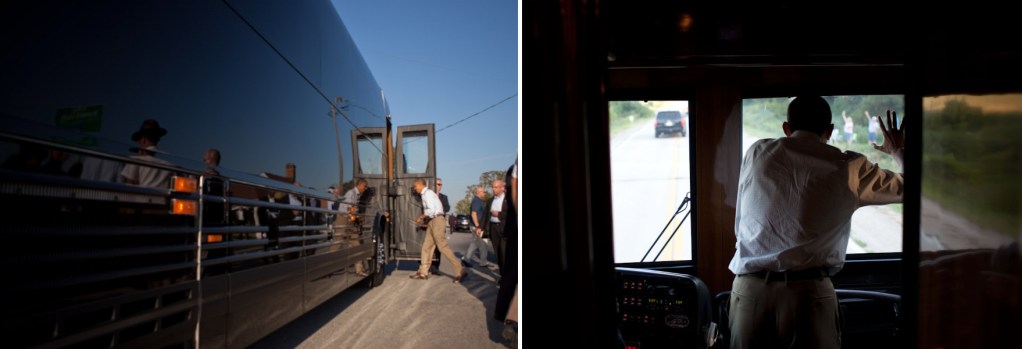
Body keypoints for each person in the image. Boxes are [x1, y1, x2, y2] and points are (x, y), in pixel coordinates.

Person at [728, 96, 905, 349]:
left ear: (786, 128)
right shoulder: (851, 168)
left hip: (750, 291)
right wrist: (897, 151)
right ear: (830, 131)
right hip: (808, 295)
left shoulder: (757, 153)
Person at [409, 178, 465, 282]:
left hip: (437, 221)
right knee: (427, 246)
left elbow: (431, 209)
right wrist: (427, 221)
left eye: (415, 186)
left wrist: (421, 217)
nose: (414, 188)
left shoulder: (427, 194)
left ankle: (459, 269)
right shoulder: (426, 194)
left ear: (420, 185)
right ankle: (423, 272)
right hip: (432, 221)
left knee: (442, 247)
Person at [121, 119, 173, 188]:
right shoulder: (169, 161)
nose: (138, 143)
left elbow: (129, 185)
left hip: (142, 198)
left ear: (143, 139)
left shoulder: (135, 159)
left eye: (138, 140)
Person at [463, 186, 492, 267]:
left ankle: (481, 261)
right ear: (478, 192)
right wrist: (477, 226)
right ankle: (469, 259)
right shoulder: (477, 201)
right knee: (481, 243)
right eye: (484, 192)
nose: (485, 193)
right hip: (478, 227)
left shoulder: (479, 201)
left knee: (479, 243)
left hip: (480, 226)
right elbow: (474, 213)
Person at [432, 178, 452, 271]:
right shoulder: (429, 195)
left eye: (440, 185)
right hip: (430, 222)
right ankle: (425, 265)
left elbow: (447, 208)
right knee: (428, 244)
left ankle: (436, 266)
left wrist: (440, 209)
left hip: (440, 222)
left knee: (439, 245)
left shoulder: (444, 197)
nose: (439, 186)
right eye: (438, 184)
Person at [488, 179, 507, 269]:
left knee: (504, 252)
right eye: (492, 187)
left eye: (495, 187)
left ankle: (508, 274)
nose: (493, 189)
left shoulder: (508, 199)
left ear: (502, 188)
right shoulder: (491, 200)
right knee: (497, 252)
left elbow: (512, 213)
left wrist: (499, 214)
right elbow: (485, 214)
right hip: (493, 227)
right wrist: (480, 227)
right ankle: (502, 275)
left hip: (503, 228)